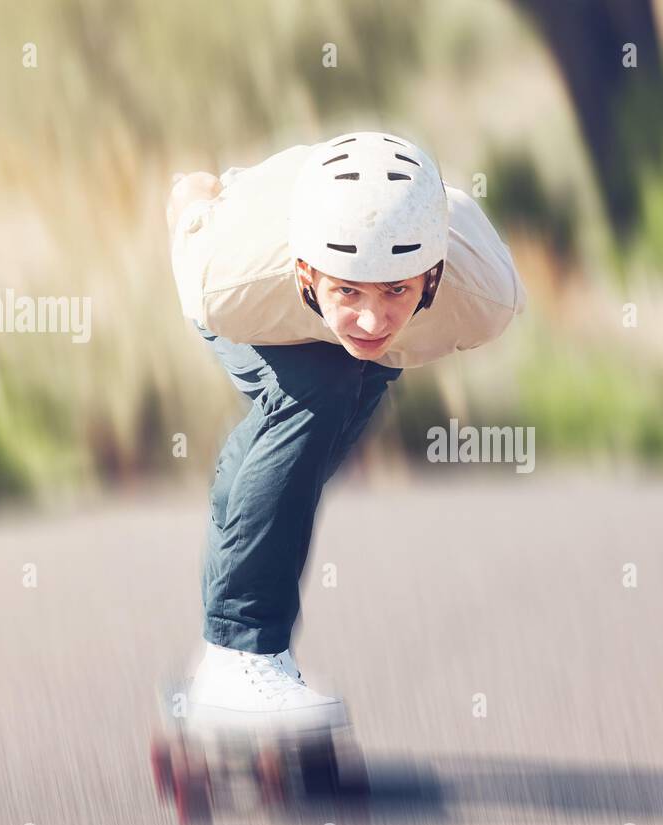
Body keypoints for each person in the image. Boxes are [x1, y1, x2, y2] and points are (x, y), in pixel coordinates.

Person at [165, 132, 454, 733]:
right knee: (315, 392)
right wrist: (194, 202)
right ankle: (243, 655)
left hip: (354, 257)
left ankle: (225, 663)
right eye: (349, 290)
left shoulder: (480, 289)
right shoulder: (227, 276)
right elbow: (197, 241)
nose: (373, 317)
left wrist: (357, 314)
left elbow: (376, 321)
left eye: (396, 290)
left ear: (432, 274)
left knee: (311, 433)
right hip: (252, 271)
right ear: (307, 271)